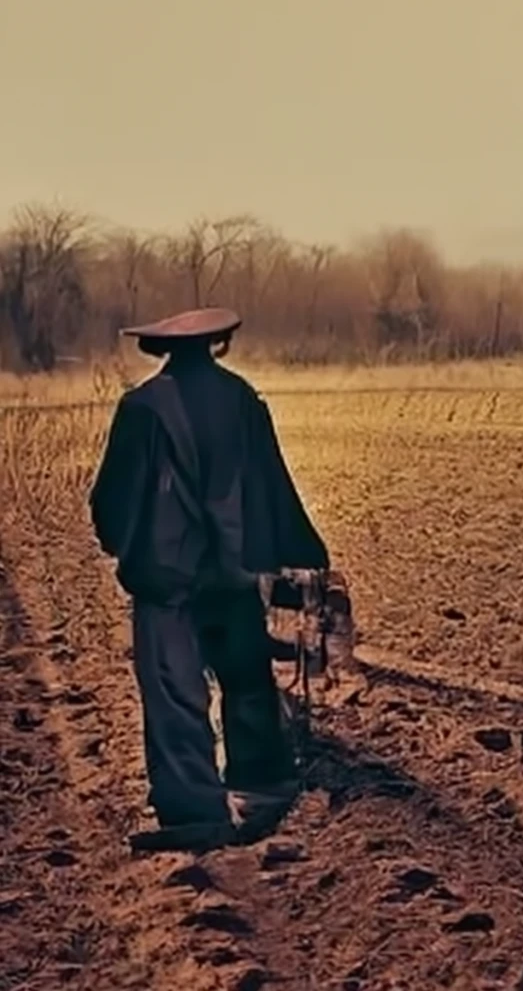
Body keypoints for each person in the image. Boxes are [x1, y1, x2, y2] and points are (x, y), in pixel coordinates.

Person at [89, 308, 330, 850]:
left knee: (174, 690)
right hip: (236, 571)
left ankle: (190, 806)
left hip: (168, 578)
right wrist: (291, 550)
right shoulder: (243, 399)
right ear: (217, 344)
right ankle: (261, 784)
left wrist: (128, 549)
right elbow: (272, 480)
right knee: (246, 680)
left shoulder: (141, 407)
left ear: (159, 350)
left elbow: (113, 499)